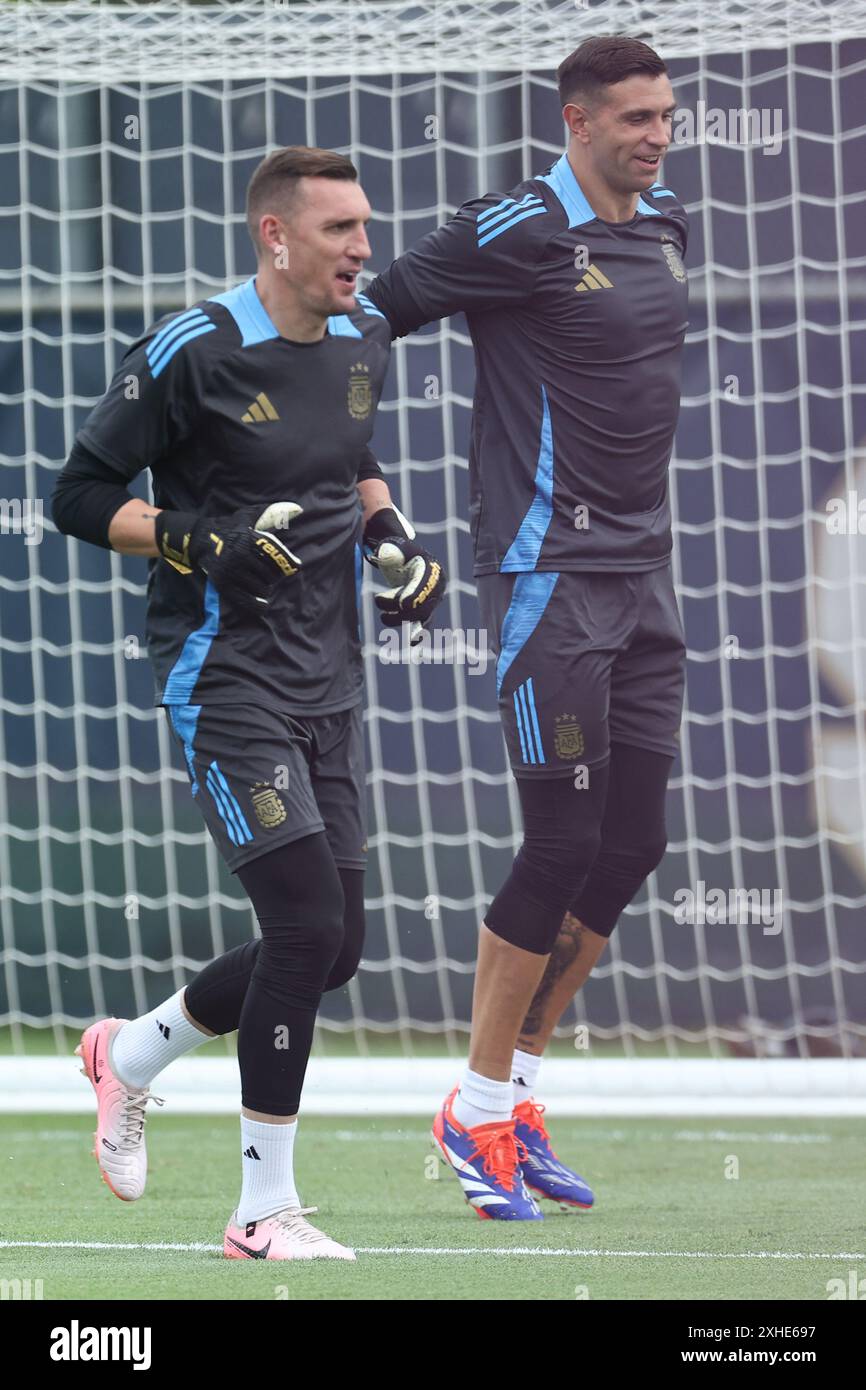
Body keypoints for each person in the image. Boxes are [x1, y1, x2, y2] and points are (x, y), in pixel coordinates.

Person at [52, 145, 446, 1259]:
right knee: (305, 924)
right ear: (274, 237)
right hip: (222, 675)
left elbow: (350, 463)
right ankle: (260, 1211)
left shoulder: (364, 336)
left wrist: (391, 540)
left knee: (337, 947)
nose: (363, 249)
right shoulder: (192, 350)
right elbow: (75, 496)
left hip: (330, 675)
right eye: (338, 230)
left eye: (366, 227)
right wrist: (203, 540)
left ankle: (129, 1055)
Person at [363, 35, 689, 1219]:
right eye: (633, 119)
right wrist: (374, 504)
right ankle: (472, 1103)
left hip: (643, 582)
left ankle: (519, 1093)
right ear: (574, 121)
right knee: (555, 843)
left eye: (665, 115)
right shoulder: (510, 230)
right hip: (545, 574)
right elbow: (361, 328)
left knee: (631, 843)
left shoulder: (664, 227)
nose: (653, 135)